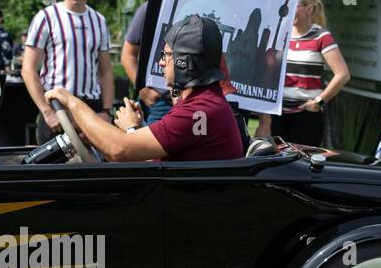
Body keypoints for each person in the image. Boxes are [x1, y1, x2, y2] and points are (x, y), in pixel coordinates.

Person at [46, 15, 242, 162]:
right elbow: (151, 156)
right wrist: (134, 130)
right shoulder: (205, 104)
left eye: (166, 55)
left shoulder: (199, 112)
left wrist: (70, 100)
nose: (161, 63)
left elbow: (119, 149)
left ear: (184, 62)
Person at [22, 0, 114, 145]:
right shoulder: (46, 17)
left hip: (90, 106)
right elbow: (28, 69)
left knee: (93, 166)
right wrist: (47, 111)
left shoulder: (99, 20)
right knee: (55, 170)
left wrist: (106, 110)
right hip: (58, 107)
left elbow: (105, 70)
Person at [261, 0, 350, 147]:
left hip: (306, 117)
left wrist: (319, 102)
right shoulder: (282, 35)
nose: (288, 11)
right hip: (278, 115)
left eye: (295, 6)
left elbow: (342, 74)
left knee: (301, 168)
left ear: (309, 9)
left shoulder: (321, 37)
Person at [121, 0, 172, 125]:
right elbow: (128, 55)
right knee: (150, 144)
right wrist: (143, 89)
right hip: (160, 101)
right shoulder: (149, 8)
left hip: (191, 99)